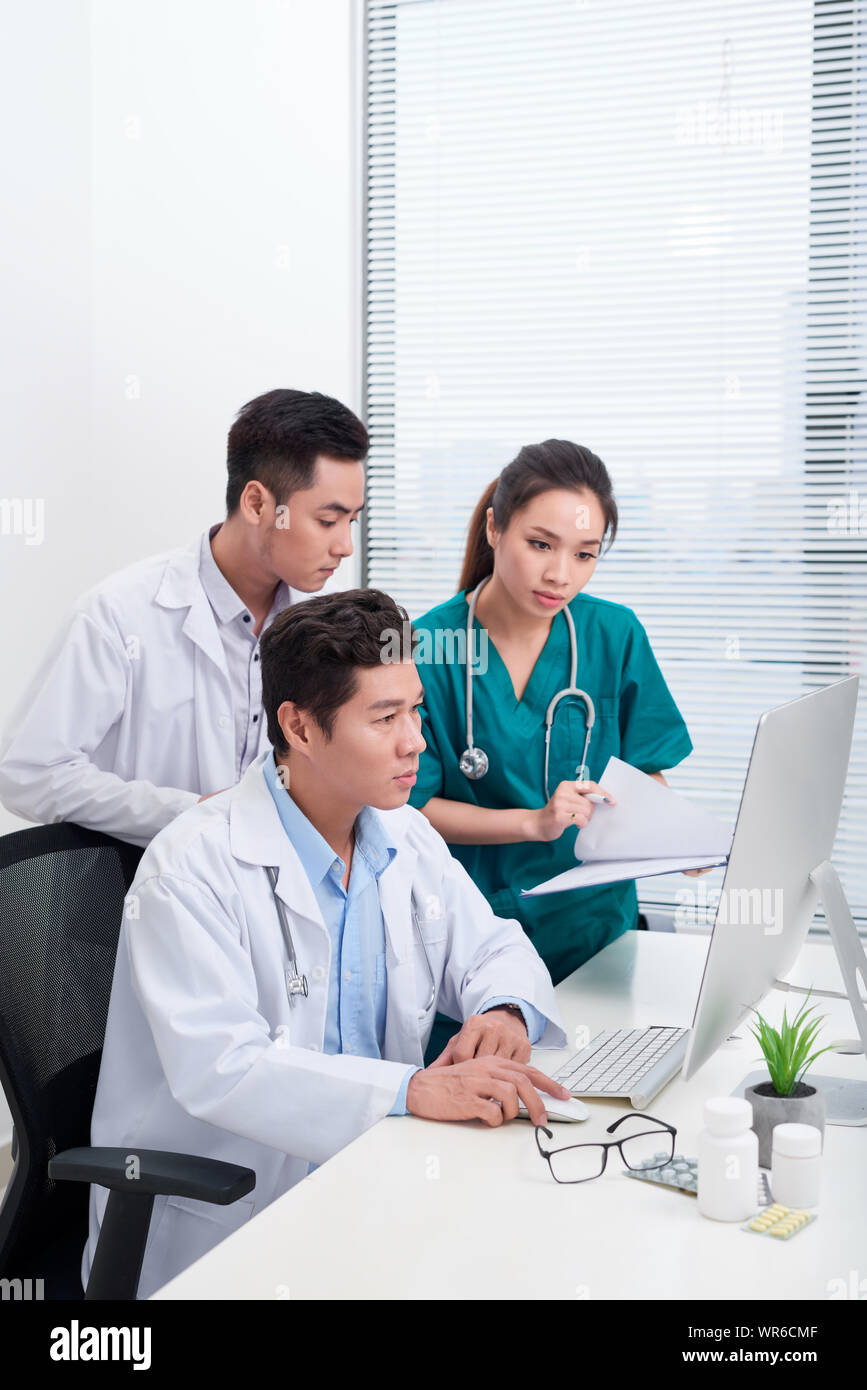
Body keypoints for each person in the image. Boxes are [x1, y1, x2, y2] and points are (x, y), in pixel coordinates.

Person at [81, 588, 569, 1299]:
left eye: (416, 711)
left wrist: (502, 1012)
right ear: (300, 728)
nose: (415, 742)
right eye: (384, 718)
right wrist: (412, 1089)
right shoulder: (189, 867)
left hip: (378, 1179)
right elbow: (223, 1068)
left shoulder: (401, 834)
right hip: (233, 1219)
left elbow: (494, 945)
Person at [407, 439, 702, 1065]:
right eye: (540, 545)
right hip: (476, 942)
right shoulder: (427, 647)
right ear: (494, 526)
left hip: (596, 937)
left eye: (585, 554)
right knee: (479, 1115)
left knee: (596, 1105)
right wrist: (533, 824)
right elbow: (411, 806)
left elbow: (645, 767)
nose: (560, 574)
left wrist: (676, 836)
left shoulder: (613, 633)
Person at [0, 388, 368, 847]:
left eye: (352, 521)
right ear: (257, 504)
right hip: (136, 890)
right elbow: (29, 772)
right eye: (328, 521)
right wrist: (190, 812)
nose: (345, 546)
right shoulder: (118, 615)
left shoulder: (323, 626)